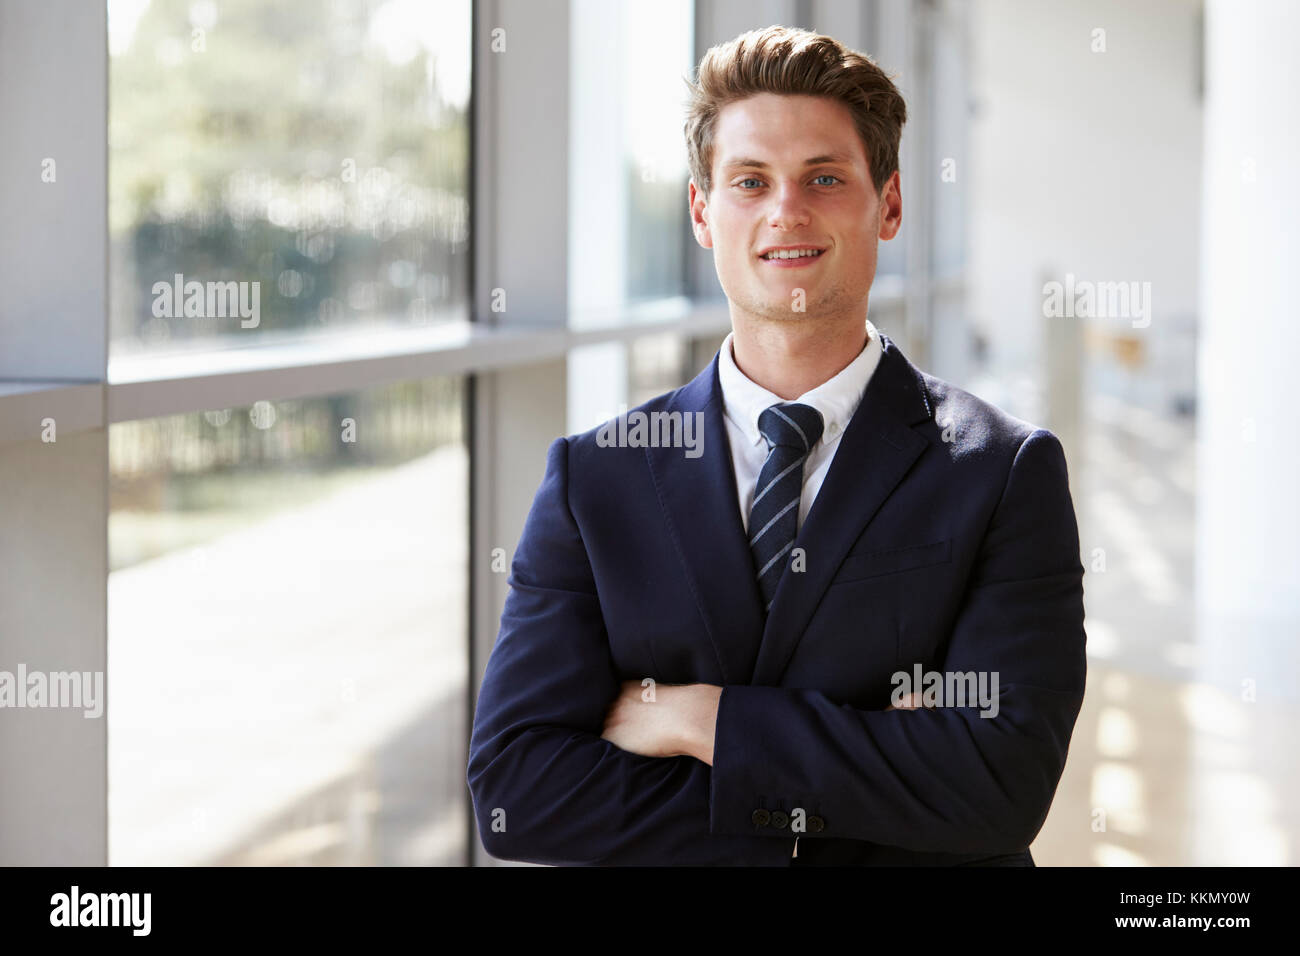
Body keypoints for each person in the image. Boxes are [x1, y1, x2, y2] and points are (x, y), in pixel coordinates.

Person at [467, 24, 1086, 866]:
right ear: (702, 211)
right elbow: (520, 792)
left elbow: (999, 787)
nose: (785, 210)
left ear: (890, 203)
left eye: (824, 178)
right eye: (749, 181)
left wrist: (701, 720)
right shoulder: (596, 477)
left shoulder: (1003, 471)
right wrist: (880, 777)